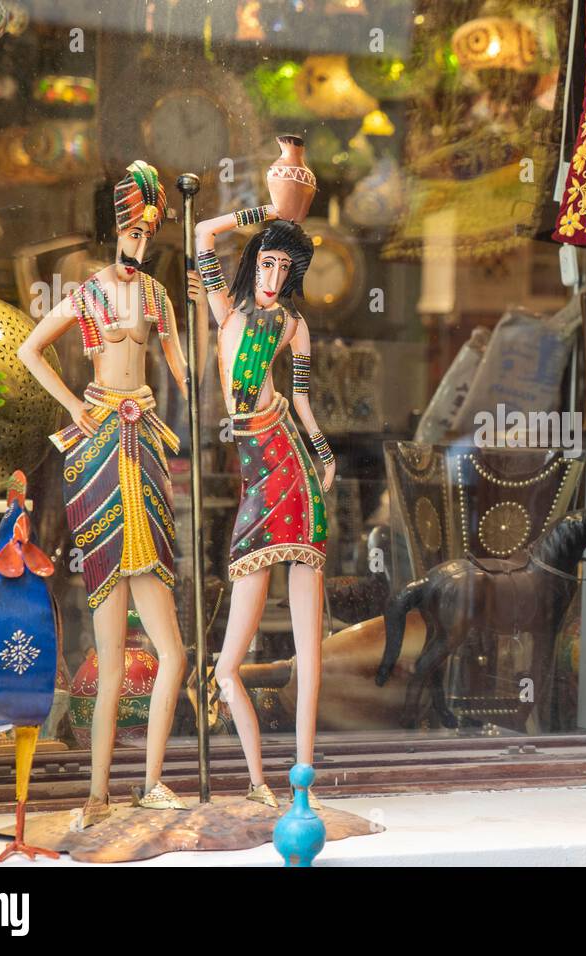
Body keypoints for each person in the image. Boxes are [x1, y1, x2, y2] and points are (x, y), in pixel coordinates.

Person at [18, 161, 189, 827]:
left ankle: (149, 782)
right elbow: (33, 350)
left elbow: (184, 370)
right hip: (95, 455)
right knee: (110, 651)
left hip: (143, 449)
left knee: (170, 650)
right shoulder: (88, 293)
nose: (138, 241)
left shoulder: (158, 299)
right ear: (112, 229)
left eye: (148, 232)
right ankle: (97, 793)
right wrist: (73, 407)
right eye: (130, 229)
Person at [190, 203, 333, 808]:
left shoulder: (292, 326)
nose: (273, 277)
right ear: (254, 263)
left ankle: (302, 782)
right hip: (256, 476)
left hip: (293, 467)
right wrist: (262, 210)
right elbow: (202, 233)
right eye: (267, 262)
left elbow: (303, 405)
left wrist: (325, 454)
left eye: (285, 267)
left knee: (309, 645)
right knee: (227, 667)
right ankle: (257, 784)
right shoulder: (225, 310)